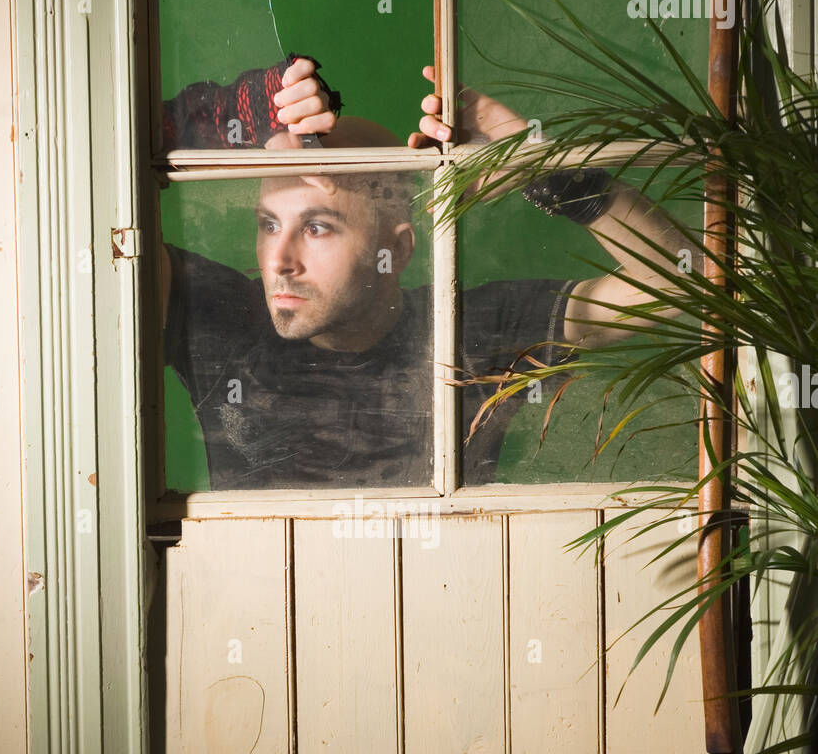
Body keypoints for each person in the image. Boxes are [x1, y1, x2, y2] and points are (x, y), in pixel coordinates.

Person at [161, 58, 693, 489]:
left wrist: (546, 168)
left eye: (318, 228)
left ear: (397, 248)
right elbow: (83, 209)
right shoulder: (223, 318)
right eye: (269, 223)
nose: (279, 259)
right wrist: (225, 117)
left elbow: (685, 289)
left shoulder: (469, 332)